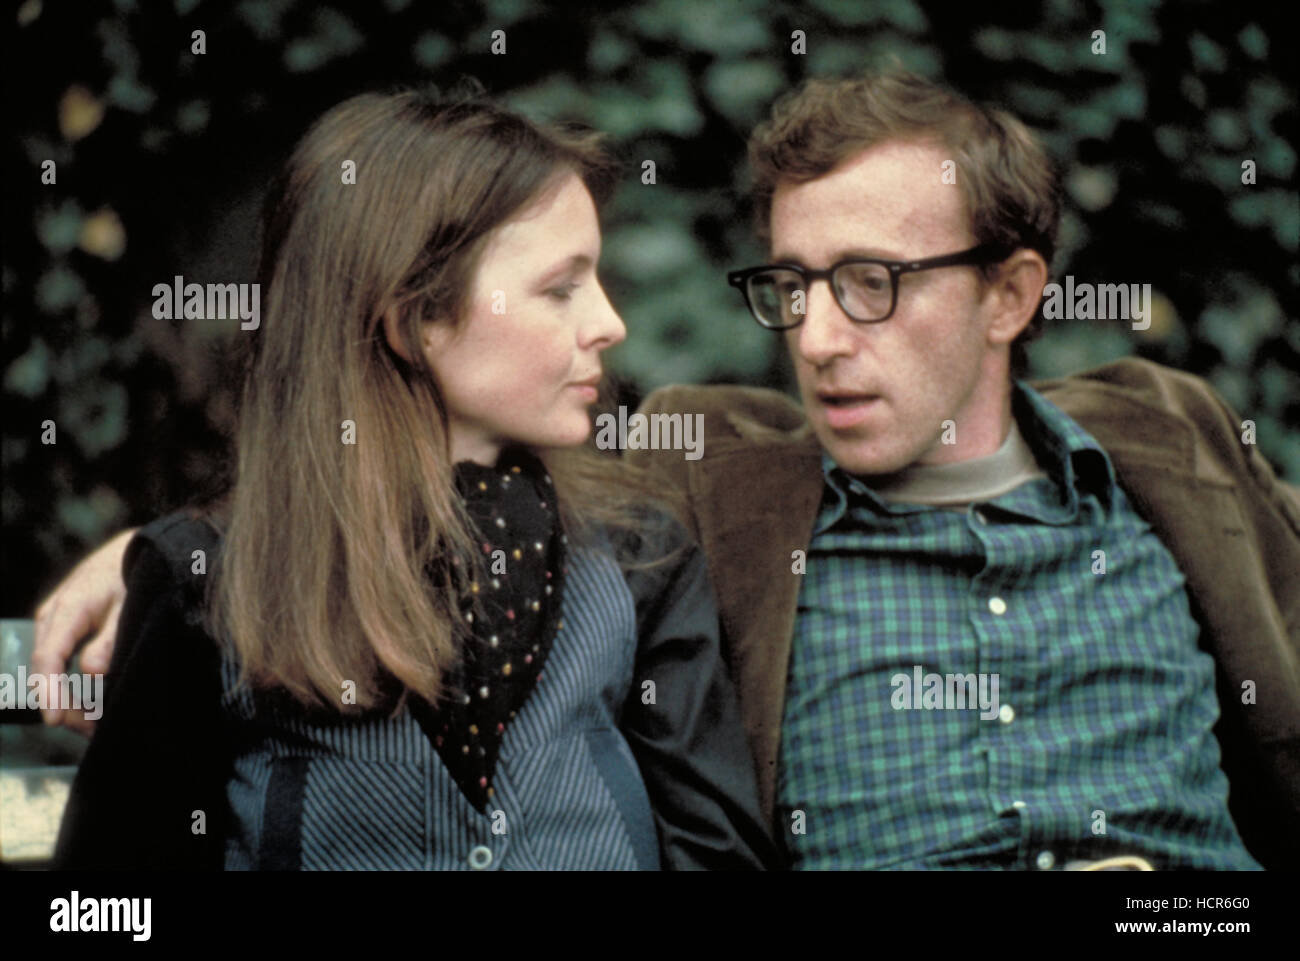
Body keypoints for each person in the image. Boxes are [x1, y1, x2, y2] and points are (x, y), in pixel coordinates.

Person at [37, 71, 1300, 871]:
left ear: (1011, 293)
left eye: (871, 284)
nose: (814, 338)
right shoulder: (715, 479)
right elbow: (392, 459)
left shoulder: (1169, 442)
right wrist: (178, 562)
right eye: (790, 286)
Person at [47, 86, 777, 871]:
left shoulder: (642, 556)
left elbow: (718, 856)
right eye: (561, 288)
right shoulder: (211, 576)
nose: (609, 321)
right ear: (414, 319)